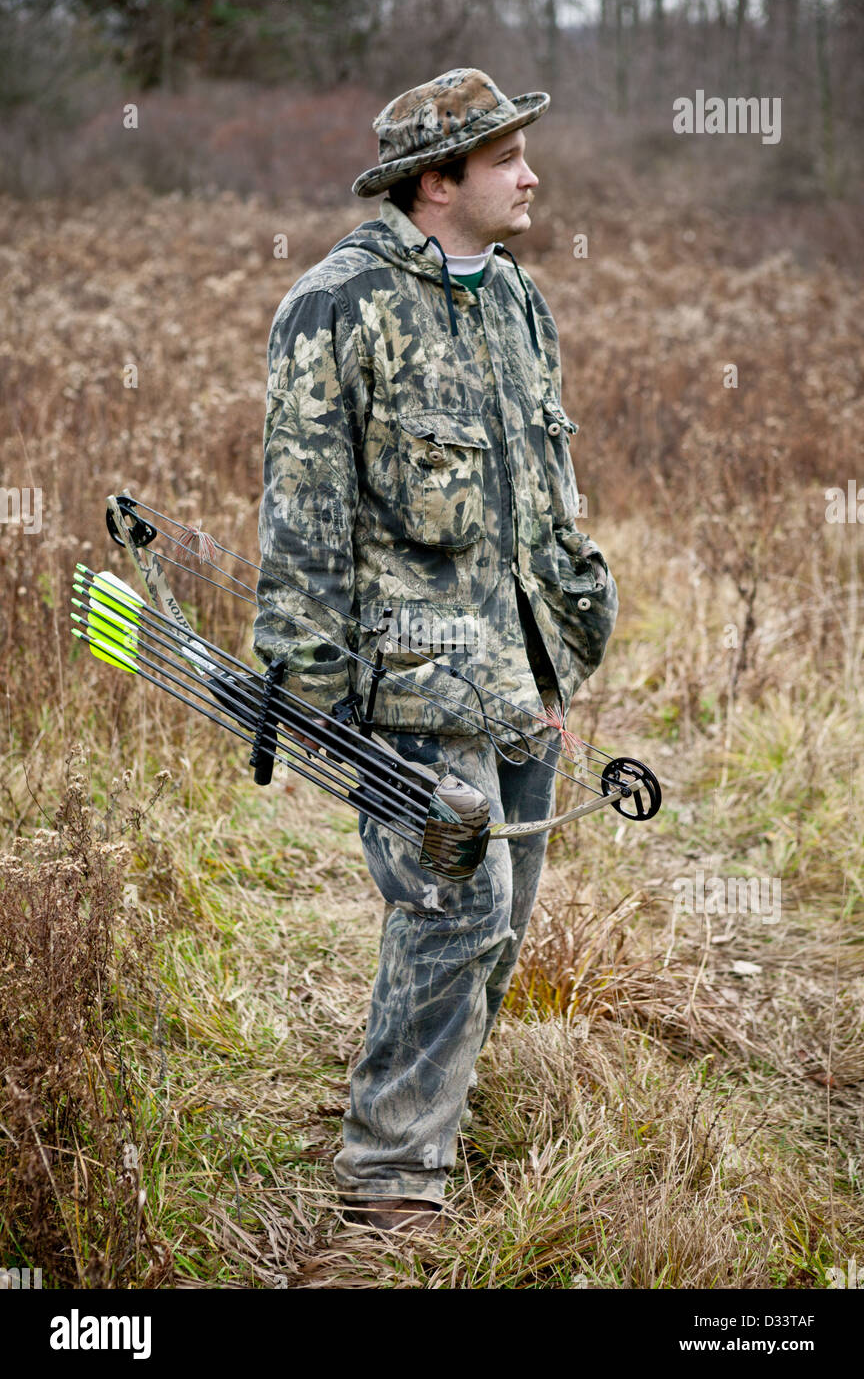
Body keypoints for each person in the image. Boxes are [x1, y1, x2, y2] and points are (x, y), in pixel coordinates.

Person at [252, 68, 618, 1234]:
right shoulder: (336, 307)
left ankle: (434, 1117)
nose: (531, 174)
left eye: (523, 152)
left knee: (502, 923)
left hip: (521, 676)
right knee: (454, 911)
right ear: (437, 180)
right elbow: (301, 516)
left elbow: (545, 486)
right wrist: (312, 704)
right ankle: (390, 1181)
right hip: (407, 686)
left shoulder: (516, 299)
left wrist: (572, 631)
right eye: (506, 157)